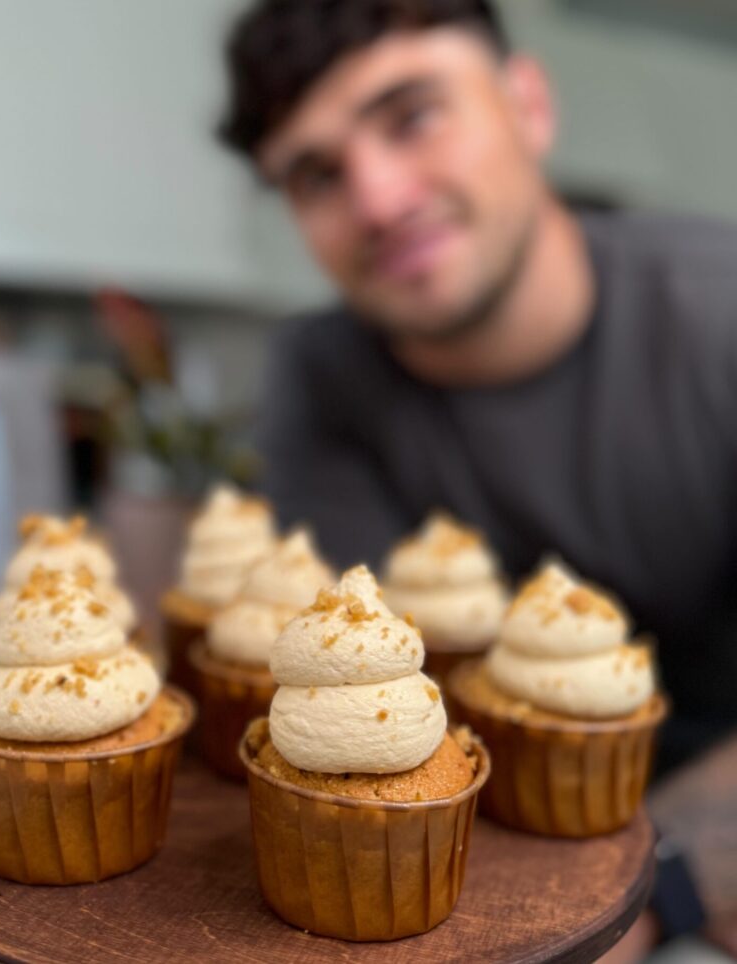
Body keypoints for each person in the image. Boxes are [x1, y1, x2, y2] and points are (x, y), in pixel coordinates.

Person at [218, 2, 737, 955]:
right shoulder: (314, 380)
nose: (377, 199)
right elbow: (367, 731)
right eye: (315, 173)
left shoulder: (721, 315)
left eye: (412, 114)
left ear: (528, 105)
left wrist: (646, 899)